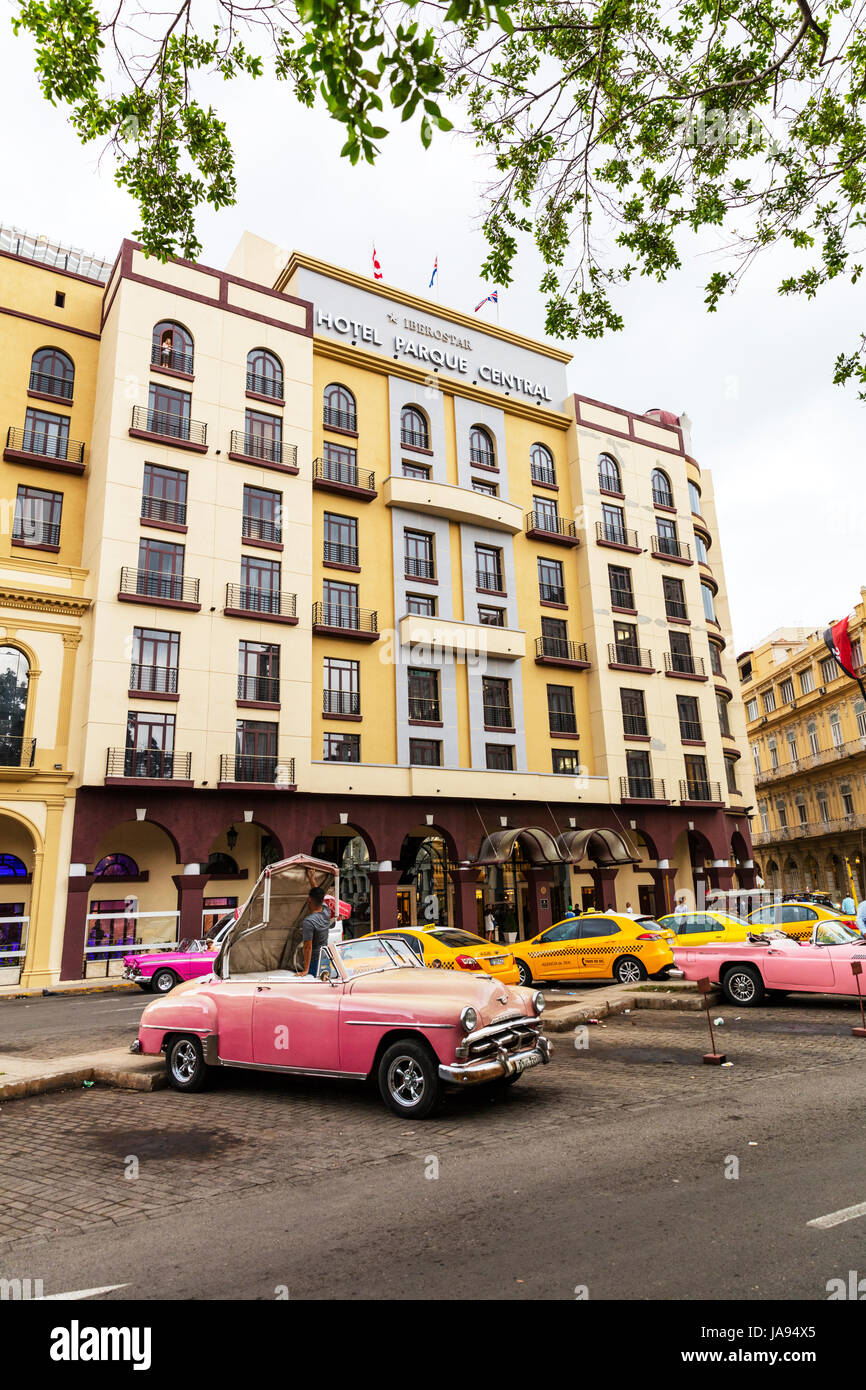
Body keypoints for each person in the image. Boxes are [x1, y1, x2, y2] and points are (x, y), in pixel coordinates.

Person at [300, 885, 332, 977]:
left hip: (314, 962)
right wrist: (312, 878)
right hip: (325, 957)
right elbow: (319, 895)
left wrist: (306, 970)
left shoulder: (309, 922)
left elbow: (307, 947)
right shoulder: (326, 911)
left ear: (309, 899)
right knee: (326, 986)